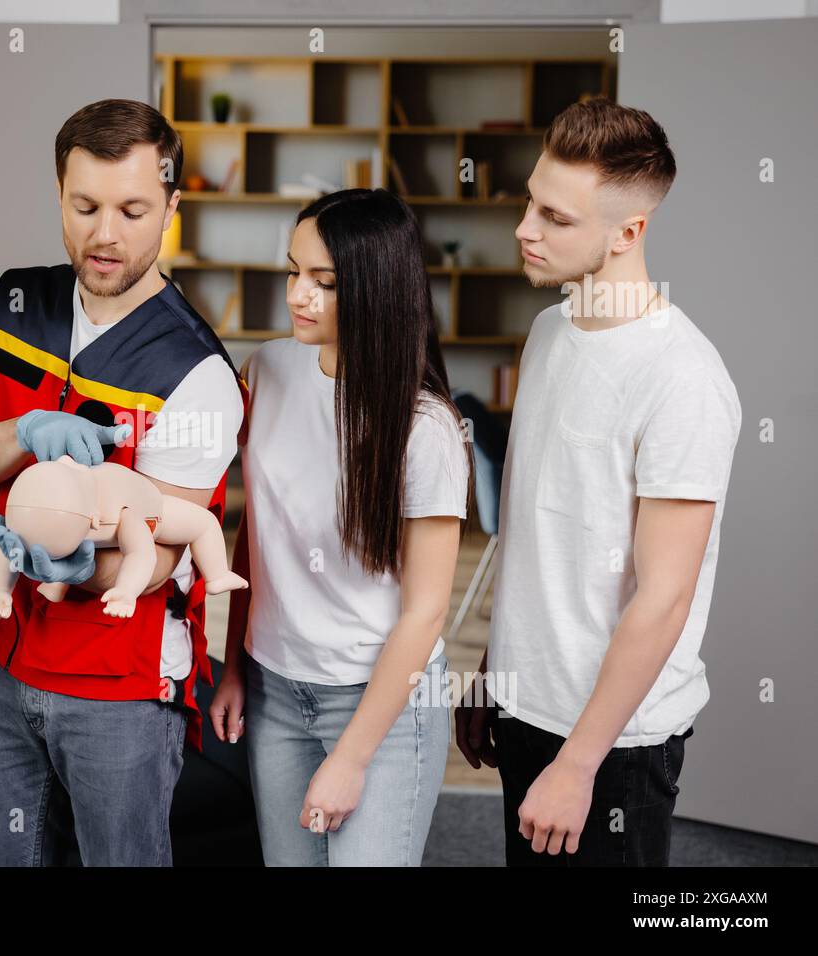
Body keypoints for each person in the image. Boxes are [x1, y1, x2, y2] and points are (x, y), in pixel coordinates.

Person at [0, 99, 244, 866]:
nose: (106, 234)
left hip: (118, 686)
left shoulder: (196, 372)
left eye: (134, 209)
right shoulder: (14, 303)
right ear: (60, 197)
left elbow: (164, 556)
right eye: (86, 206)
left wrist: (73, 566)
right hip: (2, 659)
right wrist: (22, 432)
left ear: (172, 206)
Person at [456, 98, 742, 866]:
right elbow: (543, 531)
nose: (525, 228)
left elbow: (665, 596)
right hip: (528, 706)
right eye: (530, 202)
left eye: (555, 216)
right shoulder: (550, 331)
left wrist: (579, 762)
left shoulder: (681, 378)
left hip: (613, 741)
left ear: (628, 232)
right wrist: (495, 673)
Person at [209, 189, 473, 866]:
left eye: (323, 283)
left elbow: (426, 612)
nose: (299, 295)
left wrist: (353, 757)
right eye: (293, 272)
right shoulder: (265, 370)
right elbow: (258, 535)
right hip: (273, 688)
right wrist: (235, 663)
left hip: (380, 703)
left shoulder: (426, 428)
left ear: (376, 289)